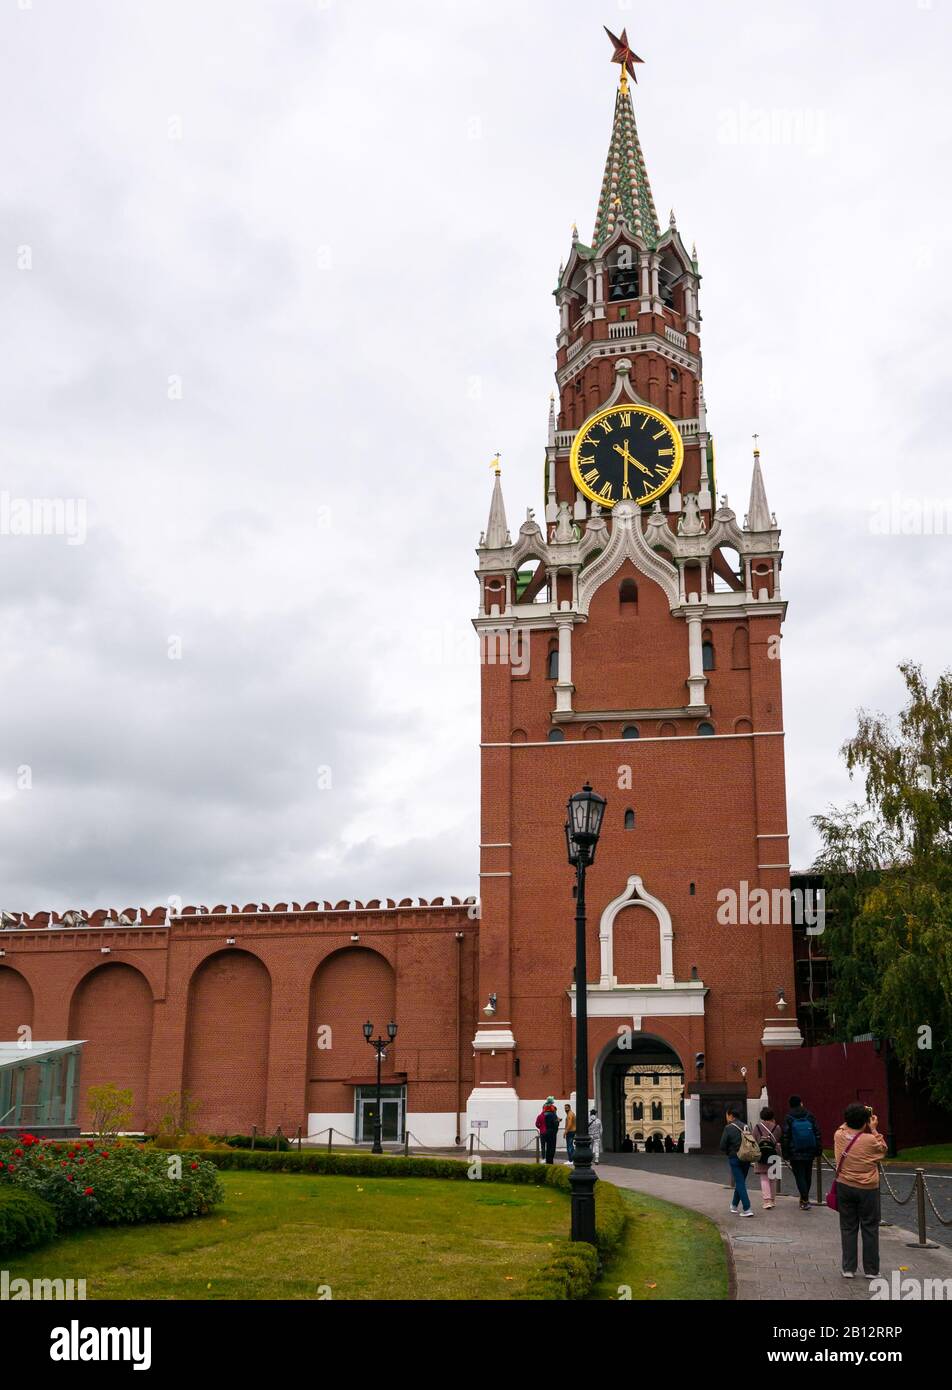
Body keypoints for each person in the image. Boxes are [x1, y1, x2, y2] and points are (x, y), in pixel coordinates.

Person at [834, 1103, 887, 1280]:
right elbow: (883, 1149)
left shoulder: (839, 1135)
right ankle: (871, 1270)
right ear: (865, 1121)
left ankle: (848, 1268)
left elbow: (844, 1126)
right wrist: (873, 1129)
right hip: (868, 1188)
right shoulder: (871, 1140)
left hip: (845, 1185)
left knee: (848, 1227)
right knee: (870, 1227)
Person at [782, 1094, 822, 1211]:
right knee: (807, 1175)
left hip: (795, 1151)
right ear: (801, 1103)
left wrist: (786, 1153)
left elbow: (786, 1136)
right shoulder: (809, 1115)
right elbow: (817, 1132)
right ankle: (804, 1198)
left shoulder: (789, 1117)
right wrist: (818, 1149)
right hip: (809, 1149)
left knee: (799, 1175)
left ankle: (804, 1199)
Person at [720, 1102, 755, 1217]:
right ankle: (734, 1205)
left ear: (730, 1115)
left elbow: (722, 1145)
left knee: (739, 1182)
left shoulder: (728, 1128)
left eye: (726, 1115)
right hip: (746, 1157)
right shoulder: (746, 1126)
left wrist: (728, 1152)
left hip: (735, 1157)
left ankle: (747, 1208)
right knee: (741, 1182)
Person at [753, 1106, 783, 1209]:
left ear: (762, 1116)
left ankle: (767, 1201)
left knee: (764, 1178)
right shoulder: (777, 1127)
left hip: (761, 1154)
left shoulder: (757, 1127)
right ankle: (773, 1200)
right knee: (772, 1178)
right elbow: (778, 1139)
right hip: (774, 1154)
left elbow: (754, 1140)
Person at [540, 1097, 560, 1165]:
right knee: (552, 1147)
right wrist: (558, 1121)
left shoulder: (543, 1115)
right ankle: (550, 1161)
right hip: (552, 1132)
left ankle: (546, 1160)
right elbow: (555, 1124)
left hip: (545, 1132)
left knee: (547, 1147)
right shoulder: (553, 1115)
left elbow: (539, 1123)